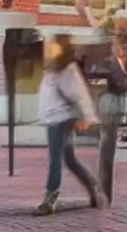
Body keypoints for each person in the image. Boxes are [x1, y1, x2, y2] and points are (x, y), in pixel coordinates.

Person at [33, 33, 105, 215]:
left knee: (56, 157)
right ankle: (94, 188)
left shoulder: (68, 69)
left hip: (62, 119)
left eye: (53, 44)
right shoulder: (52, 68)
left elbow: (81, 95)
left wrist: (87, 118)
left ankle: (50, 198)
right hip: (54, 118)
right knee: (69, 159)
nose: (49, 47)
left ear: (62, 47)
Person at [98, 31, 127, 204]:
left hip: (102, 107)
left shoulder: (99, 61)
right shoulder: (111, 62)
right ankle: (105, 193)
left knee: (103, 153)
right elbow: (120, 84)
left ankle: (101, 191)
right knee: (107, 153)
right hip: (110, 109)